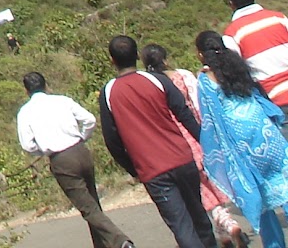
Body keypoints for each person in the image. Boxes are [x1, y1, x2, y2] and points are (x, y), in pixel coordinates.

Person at [99, 34, 218, 248]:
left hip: (153, 171)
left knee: (182, 226)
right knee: (199, 218)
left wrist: (134, 169)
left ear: (112, 60)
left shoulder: (108, 93)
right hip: (182, 159)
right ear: (137, 55)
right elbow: (185, 115)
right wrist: (205, 144)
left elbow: (112, 141)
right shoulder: (157, 80)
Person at [144, 42, 250, 247]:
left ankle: (229, 225)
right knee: (213, 185)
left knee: (201, 193)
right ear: (165, 58)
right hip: (196, 133)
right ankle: (225, 235)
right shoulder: (182, 75)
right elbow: (196, 101)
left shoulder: (152, 84)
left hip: (175, 141)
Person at [17, 72, 135, 248]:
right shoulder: (62, 100)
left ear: (26, 90)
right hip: (81, 151)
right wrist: (82, 137)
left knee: (88, 208)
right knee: (92, 202)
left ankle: (121, 241)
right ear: (45, 85)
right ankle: (103, 245)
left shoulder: (25, 112)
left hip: (61, 160)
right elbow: (89, 119)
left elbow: (27, 145)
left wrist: (44, 150)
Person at [194, 29, 288, 248]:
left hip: (242, 143)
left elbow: (210, 119)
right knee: (284, 182)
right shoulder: (237, 65)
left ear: (200, 54)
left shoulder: (206, 80)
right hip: (265, 132)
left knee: (261, 200)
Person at [223, 0, 288, 111]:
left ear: (231, 3)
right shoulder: (279, 18)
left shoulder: (231, 34)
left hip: (275, 101)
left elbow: (237, 73)